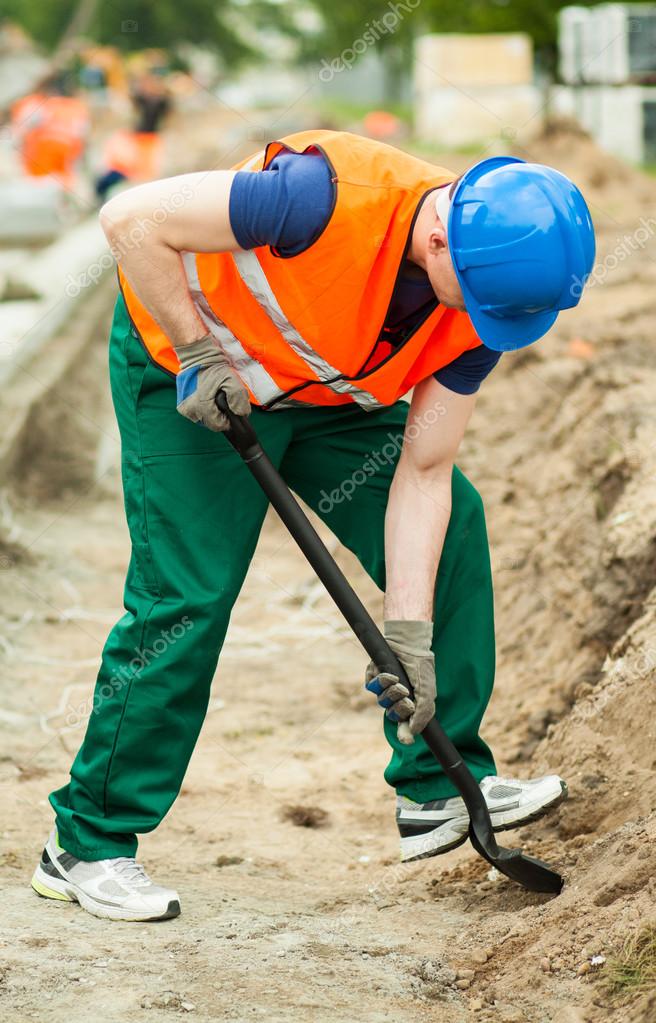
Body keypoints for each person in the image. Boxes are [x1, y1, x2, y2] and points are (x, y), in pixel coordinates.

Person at [32, 130, 595, 921]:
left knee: (457, 523)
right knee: (187, 595)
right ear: (440, 236)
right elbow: (130, 219)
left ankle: (438, 785)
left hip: (329, 403)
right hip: (192, 376)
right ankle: (87, 840)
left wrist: (410, 636)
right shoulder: (318, 196)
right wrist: (198, 352)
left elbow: (424, 473)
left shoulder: (486, 295)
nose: (481, 319)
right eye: (476, 299)